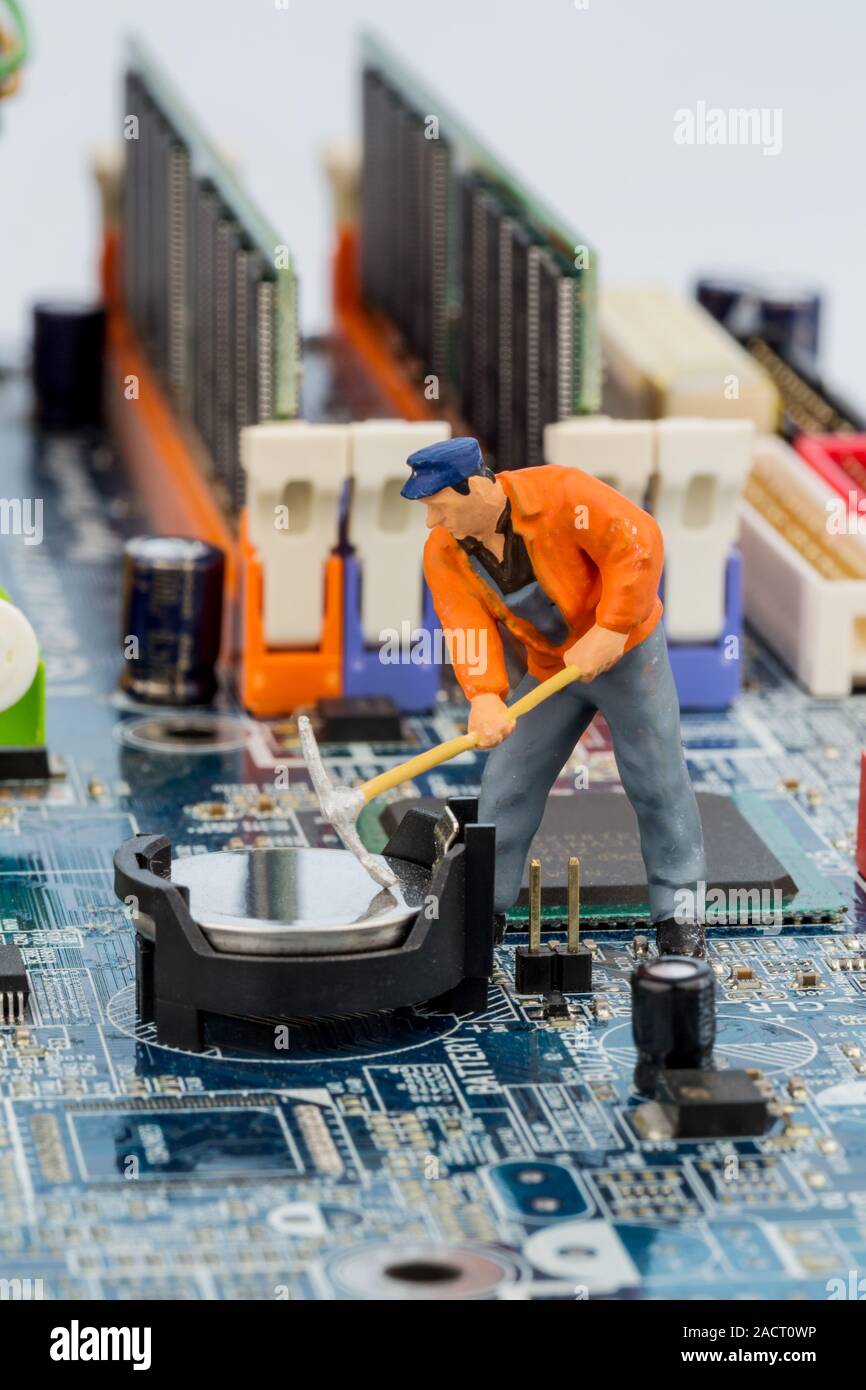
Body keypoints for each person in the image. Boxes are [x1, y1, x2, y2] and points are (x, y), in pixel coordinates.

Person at [401, 435, 706, 956]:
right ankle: (486, 912)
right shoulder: (445, 552)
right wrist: (484, 696)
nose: (432, 521)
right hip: (551, 671)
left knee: (657, 782)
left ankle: (681, 921)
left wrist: (611, 629)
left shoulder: (564, 495)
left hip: (630, 656)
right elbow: (465, 624)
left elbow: (638, 542)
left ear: (474, 487)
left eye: (438, 506)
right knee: (507, 782)